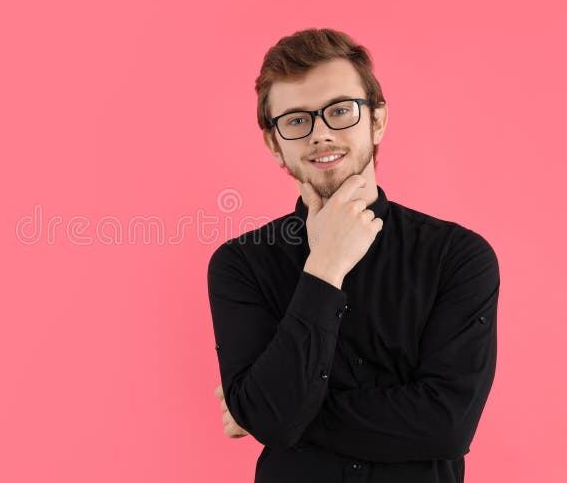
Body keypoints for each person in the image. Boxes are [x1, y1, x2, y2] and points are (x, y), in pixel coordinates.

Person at [207, 28, 499, 483]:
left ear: (377, 120)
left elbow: (448, 424)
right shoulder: (241, 265)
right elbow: (270, 416)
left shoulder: (458, 257)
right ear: (273, 142)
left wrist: (270, 414)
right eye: (297, 120)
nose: (321, 134)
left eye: (341, 111)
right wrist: (325, 268)